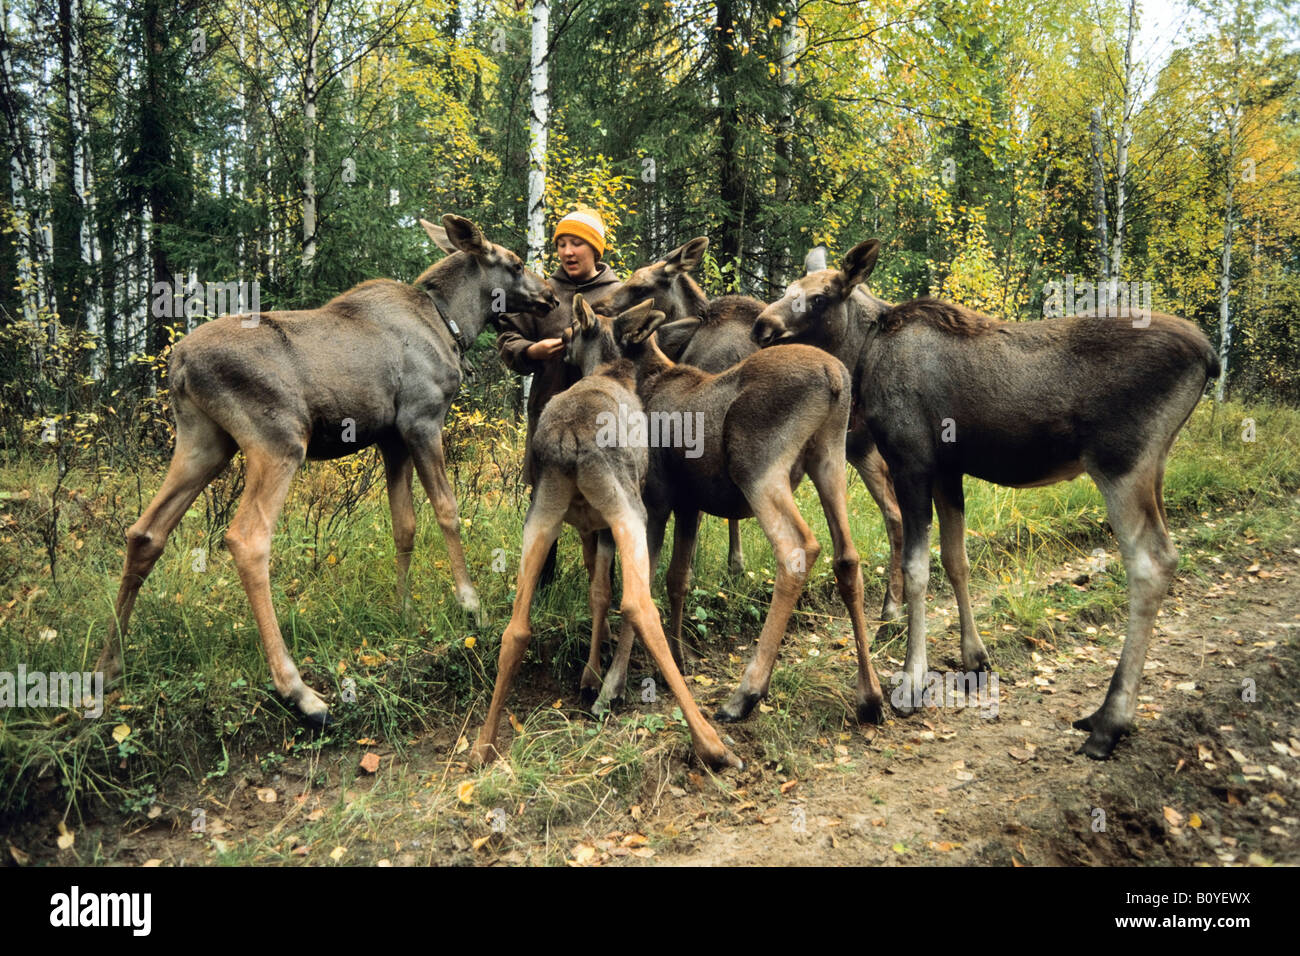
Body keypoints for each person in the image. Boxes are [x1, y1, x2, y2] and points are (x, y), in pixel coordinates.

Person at [497, 206, 624, 585]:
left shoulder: (620, 295)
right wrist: (530, 352)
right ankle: (538, 587)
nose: (568, 252)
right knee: (546, 501)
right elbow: (507, 336)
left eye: (577, 243)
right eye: (562, 244)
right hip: (549, 414)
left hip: (604, 419)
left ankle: (605, 589)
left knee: (607, 501)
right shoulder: (542, 292)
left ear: (596, 249)